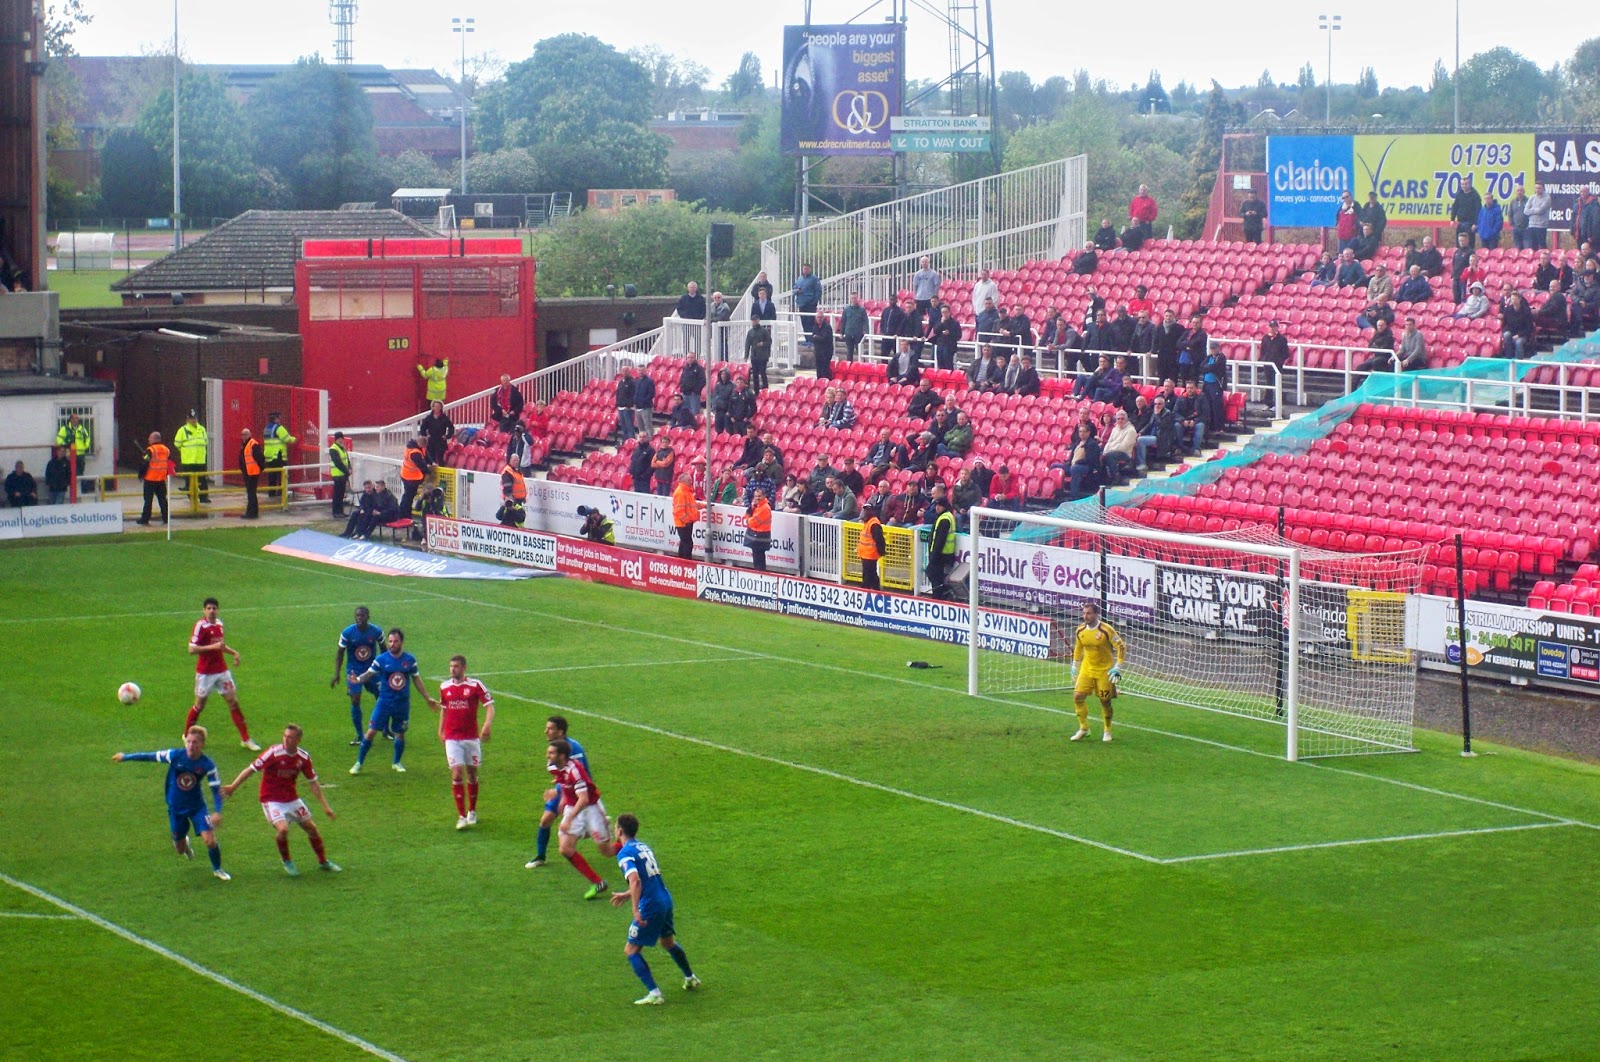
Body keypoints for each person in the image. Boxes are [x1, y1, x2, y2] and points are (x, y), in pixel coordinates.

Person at [113, 726, 230, 881]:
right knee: (180, 850)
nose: (190, 745)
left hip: (197, 807)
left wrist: (217, 811)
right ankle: (184, 843)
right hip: (175, 808)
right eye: (188, 741)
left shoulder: (207, 765)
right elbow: (149, 756)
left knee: (210, 840)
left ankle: (217, 869)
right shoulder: (175, 756)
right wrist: (126, 756)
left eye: (194, 742)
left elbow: (216, 791)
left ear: (202, 744)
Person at [221, 725, 340, 876]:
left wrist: (326, 807)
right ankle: (287, 860)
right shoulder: (273, 753)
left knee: (312, 828)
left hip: (291, 799)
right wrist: (233, 786)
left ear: (298, 740)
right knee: (283, 829)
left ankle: (323, 861)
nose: (286, 739)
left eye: (290, 737)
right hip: (271, 800)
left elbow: (313, 782)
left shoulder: (303, 757)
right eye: (285, 736)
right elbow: (251, 769)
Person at [609, 813, 700, 1005]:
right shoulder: (643, 846)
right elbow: (646, 878)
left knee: (631, 950)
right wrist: (628, 894)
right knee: (667, 942)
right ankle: (690, 978)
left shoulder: (624, 853)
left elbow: (635, 880)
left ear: (619, 831)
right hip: (665, 899)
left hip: (651, 905)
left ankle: (655, 993)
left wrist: (635, 910)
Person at [548, 736, 617, 900]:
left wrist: (568, 819)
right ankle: (598, 882)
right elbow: (563, 783)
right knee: (565, 848)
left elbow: (584, 799)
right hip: (574, 806)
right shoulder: (553, 766)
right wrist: (563, 800)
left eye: (551, 753)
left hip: (591, 808)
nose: (548, 756)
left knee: (606, 851)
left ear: (562, 756)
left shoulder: (575, 771)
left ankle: (628, 841)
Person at [432, 654, 495, 831]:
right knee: (457, 773)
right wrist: (441, 729)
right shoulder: (444, 687)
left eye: (456, 666)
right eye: (451, 666)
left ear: (464, 667)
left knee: (472, 774)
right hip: (452, 738)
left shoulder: (475, 685)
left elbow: (489, 706)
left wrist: (487, 725)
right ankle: (461, 816)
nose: (453, 669)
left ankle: (472, 811)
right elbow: (444, 709)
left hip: (471, 737)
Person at [186, 596, 257, 751]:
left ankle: (246, 739)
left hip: (221, 671)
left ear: (218, 610)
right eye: (209, 608)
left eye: (214, 608)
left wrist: (234, 653)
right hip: (205, 673)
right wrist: (213, 647)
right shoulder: (200, 626)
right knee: (199, 705)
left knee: (233, 702)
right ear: (204, 610)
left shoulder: (219, 624)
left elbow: (220, 645)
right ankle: (187, 736)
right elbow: (191, 649)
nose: (212, 611)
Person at [527, 716, 590, 869]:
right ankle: (541, 856)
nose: (546, 731)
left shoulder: (574, 749)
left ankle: (591, 827)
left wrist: (557, 791)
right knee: (545, 820)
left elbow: (579, 776)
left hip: (578, 792)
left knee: (567, 831)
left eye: (550, 729)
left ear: (560, 732)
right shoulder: (555, 748)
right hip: (564, 789)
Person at [1070, 602, 1125, 743]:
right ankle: (1084, 728)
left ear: (1095, 614)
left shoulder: (1106, 630)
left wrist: (1118, 667)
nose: (1085, 616)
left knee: (1105, 701)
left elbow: (1121, 646)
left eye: (1088, 613)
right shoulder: (1080, 630)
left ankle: (1107, 730)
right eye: (1084, 613)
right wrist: (1074, 666)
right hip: (1087, 669)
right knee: (1077, 696)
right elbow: (1078, 648)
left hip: (1104, 671)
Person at [173, 409, 209, 504]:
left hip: (200, 460)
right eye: (191, 418)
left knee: (202, 480)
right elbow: (177, 444)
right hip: (188, 460)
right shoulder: (183, 430)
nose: (193, 420)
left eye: (195, 418)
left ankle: (204, 497)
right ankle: (192, 498)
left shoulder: (202, 429)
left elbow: (205, 442)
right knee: (189, 481)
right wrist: (185, 451)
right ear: (187, 419)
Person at [261, 412, 296, 504]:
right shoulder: (279, 428)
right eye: (279, 418)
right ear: (275, 419)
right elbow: (287, 439)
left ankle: (271, 493)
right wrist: (295, 439)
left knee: (271, 476)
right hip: (278, 455)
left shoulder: (266, 429)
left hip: (269, 456)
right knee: (282, 476)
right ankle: (281, 492)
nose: (280, 420)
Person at [55, 411, 92, 495]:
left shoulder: (82, 429)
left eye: (77, 418)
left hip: (80, 454)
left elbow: (88, 439)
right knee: (71, 471)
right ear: (71, 419)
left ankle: (83, 490)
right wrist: (65, 446)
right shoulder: (65, 429)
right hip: (70, 454)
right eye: (75, 418)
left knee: (81, 472)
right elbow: (59, 439)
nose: (77, 419)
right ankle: (72, 491)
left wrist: (85, 446)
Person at [855, 504, 887, 590]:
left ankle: (867, 589)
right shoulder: (869, 522)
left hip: (870, 554)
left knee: (868, 573)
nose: (864, 513)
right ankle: (874, 589)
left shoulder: (874, 523)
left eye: (867, 511)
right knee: (871, 573)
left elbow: (879, 539)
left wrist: (881, 551)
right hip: (866, 553)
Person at [419, 400, 454, 468]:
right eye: (435, 406)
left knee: (440, 459)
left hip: (441, 441)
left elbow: (451, 427)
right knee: (431, 459)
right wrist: (426, 435)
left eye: (439, 407)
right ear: (432, 407)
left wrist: (447, 436)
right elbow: (422, 428)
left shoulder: (444, 418)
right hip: (431, 441)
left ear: (441, 408)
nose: (437, 408)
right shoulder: (428, 418)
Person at [1451, 174, 1483, 247]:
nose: (1464, 186)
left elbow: (1478, 210)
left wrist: (1475, 223)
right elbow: (1455, 206)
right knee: (1459, 244)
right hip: (1460, 223)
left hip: (1470, 224)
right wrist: (1452, 219)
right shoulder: (1459, 194)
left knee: (1469, 244)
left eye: (1466, 184)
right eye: (1462, 184)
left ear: (1469, 184)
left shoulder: (1475, 195)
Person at [792, 263, 821, 342]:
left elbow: (818, 291)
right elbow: (793, 290)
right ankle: (807, 340)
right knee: (804, 322)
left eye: (807, 269)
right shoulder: (799, 279)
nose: (805, 270)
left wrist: (814, 302)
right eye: (804, 269)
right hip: (801, 304)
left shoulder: (814, 279)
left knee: (810, 322)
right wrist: (797, 291)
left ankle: (812, 340)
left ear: (810, 269)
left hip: (810, 305)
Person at [745, 488, 772, 571]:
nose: (757, 498)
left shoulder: (764, 508)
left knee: (759, 561)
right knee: (757, 559)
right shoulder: (757, 507)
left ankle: (760, 575)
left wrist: (748, 519)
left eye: (759, 496)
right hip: (757, 536)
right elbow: (747, 516)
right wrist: (751, 508)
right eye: (756, 496)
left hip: (761, 536)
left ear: (764, 496)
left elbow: (752, 522)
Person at [672, 473, 698, 559]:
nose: (691, 482)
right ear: (683, 482)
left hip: (686, 522)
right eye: (689, 480)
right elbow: (678, 511)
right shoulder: (680, 493)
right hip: (683, 523)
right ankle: (686, 562)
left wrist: (704, 506)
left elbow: (692, 504)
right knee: (687, 543)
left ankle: (681, 561)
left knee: (684, 543)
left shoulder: (687, 491)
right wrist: (687, 521)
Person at [327, 430, 352, 517]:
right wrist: (347, 471)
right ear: (336, 439)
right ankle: (336, 512)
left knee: (341, 494)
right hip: (337, 475)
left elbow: (346, 459)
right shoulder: (333, 449)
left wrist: (349, 468)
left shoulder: (342, 448)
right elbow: (338, 462)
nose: (341, 440)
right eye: (339, 439)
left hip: (343, 474)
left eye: (342, 438)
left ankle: (340, 511)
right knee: (337, 494)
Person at [238, 428, 261, 519]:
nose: (243, 436)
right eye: (242, 434)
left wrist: (259, 468)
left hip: (252, 472)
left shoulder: (252, 444)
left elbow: (259, 458)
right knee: (251, 493)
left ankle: (251, 513)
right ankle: (253, 512)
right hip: (248, 472)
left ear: (249, 434)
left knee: (251, 493)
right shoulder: (245, 444)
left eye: (245, 434)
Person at [746, 318, 772, 392]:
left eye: (755, 320)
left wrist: (763, 344)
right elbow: (747, 344)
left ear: (758, 320)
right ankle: (756, 391)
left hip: (763, 356)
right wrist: (746, 355)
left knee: (763, 373)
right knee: (755, 375)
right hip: (754, 356)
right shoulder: (750, 332)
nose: (754, 322)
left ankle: (765, 389)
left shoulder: (764, 331)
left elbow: (769, 341)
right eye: (752, 320)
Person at [1525, 181, 1552, 251]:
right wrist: (1534, 210)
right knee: (1532, 246)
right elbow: (1525, 211)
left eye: (1539, 188)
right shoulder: (1532, 198)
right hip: (1531, 225)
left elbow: (1541, 210)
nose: (1537, 190)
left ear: (1543, 189)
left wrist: (1531, 210)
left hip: (1541, 226)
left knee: (1542, 245)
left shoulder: (1547, 198)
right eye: (1536, 188)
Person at [841, 292, 868, 361]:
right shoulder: (846, 310)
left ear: (857, 298)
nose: (854, 300)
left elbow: (865, 321)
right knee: (849, 352)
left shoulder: (862, 310)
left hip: (858, 334)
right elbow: (843, 322)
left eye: (855, 298)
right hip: (848, 333)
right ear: (850, 299)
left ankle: (862, 366)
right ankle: (849, 367)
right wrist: (841, 333)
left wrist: (867, 332)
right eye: (852, 298)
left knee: (860, 351)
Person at [633, 367, 657, 441]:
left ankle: (650, 440)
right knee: (640, 426)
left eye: (642, 370)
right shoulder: (636, 381)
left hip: (646, 407)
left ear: (645, 371)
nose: (640, 372)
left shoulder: (649, 381)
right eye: (639, 370)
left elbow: (651, 394)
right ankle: (642, 441)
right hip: (638, 407)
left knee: (647, 426)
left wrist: (643, 401)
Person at [812, 311, 835, 380]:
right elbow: (812, 337)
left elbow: (824, 339)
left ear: (823, 318)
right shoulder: (815, 327)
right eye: (817, 317)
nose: (819, 319)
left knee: (825, 369)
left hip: (826, 351)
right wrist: (817, 337)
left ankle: (826, 381)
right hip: (818, 351)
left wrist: (816, 337)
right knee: (818, 368)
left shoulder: (827, 327)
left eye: (820, 317)